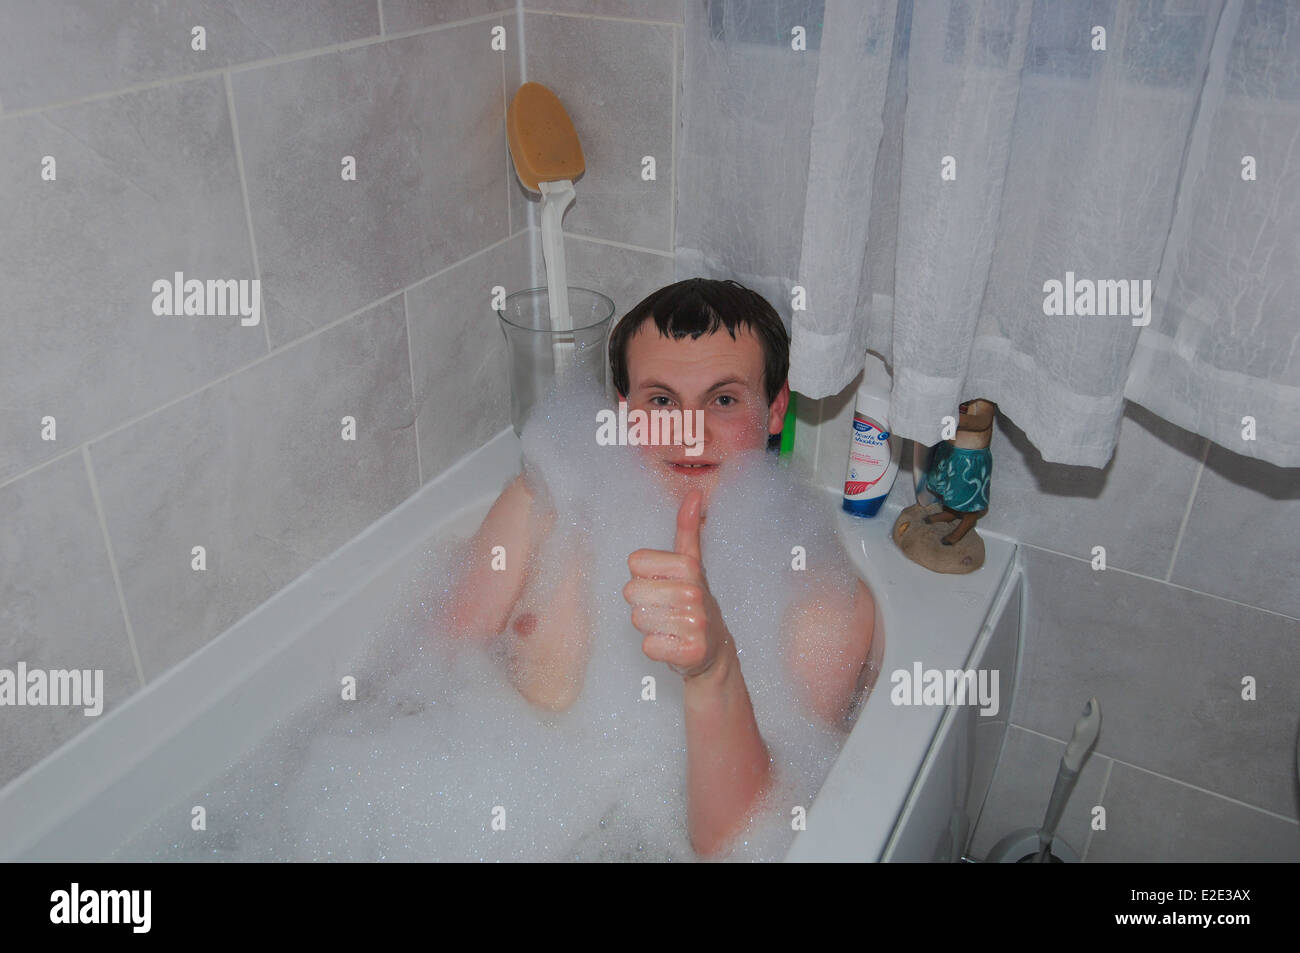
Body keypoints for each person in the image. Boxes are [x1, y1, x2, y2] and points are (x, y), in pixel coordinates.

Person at [442, 277, 877, 857]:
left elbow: (748, 842)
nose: (689, 431)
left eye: (723, 400)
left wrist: (714, 666)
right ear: (624, 410)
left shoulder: (825, 597)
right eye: (662, 401)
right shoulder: (544, 507)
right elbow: (425, 681)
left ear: (775, 409)